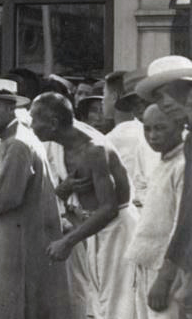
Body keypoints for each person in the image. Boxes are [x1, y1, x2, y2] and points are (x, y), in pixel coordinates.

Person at [30, 91, 136, 319]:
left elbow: (109, 208)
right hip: (94, 229)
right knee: (97, 304)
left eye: (35, 120)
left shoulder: (93, 149)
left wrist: (68, 241)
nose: (31, 126)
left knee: (118, 306)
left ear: (53, 123)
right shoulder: (62, 143)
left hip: (117, 230)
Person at [0, 79, 73, 318]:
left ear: (11, 107)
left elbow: (6, 196)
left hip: (19, 237)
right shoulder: (16, 137)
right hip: (26, 232)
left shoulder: (18, 143)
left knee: (13, 304)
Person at [129, 102, 188, 318]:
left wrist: (165, 277)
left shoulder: (183, 165)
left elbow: (182, 226)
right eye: (147, 129)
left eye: (160, 128)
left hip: (167, 267)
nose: (152, 136)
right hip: (147, 262)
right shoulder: (164, 161)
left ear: (180, 125)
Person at [106, 70, 154, 208]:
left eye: (143, 102)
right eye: (134, 104)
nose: (139, 108)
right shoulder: (141, 138)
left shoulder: (177, 135)